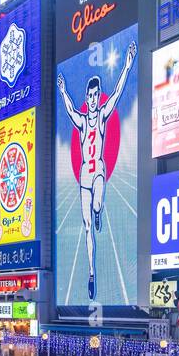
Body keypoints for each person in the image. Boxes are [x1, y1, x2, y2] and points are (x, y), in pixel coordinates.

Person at [56, 40, 136, 301]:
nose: (92, 100)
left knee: (98, 206)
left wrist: (127, 65)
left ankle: (99, 211)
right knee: (88, 227)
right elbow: (68, 108)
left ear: (97, 95)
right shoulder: (81, 120)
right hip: (84, 179)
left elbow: (118, 93)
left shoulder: (101, 116)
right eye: (89, 96)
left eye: (95, 95)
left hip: (98, 172)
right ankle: (92, 273)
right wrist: (63, 91)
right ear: (86, 98)